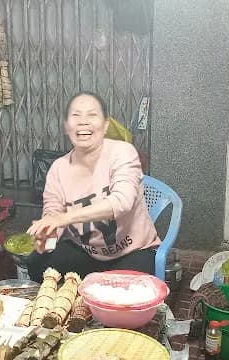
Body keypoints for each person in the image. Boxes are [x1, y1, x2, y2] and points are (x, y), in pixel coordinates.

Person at [26, 91, 160, 283]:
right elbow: (53, 214)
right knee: (37, 262)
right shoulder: (58, 169)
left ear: (105, 125)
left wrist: (65, 218)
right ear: (66, 127)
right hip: (86, 252)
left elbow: (122, 202)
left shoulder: (123, 152)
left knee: (124, 301)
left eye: (92, 115)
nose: (83, 122)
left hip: (132, 251)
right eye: (76, 116)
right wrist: (46, 236)